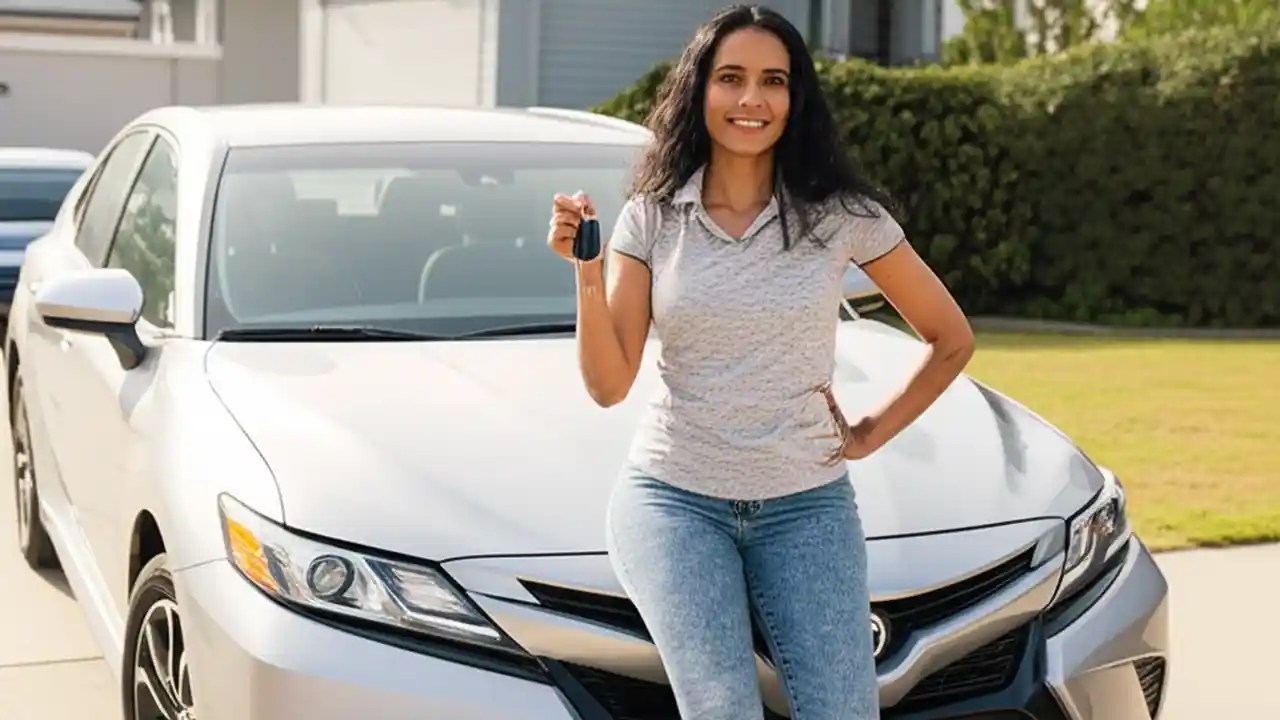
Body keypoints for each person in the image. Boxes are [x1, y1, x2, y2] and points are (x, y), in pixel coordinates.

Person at [545, 5, 975, 718]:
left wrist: (868, 434)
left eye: (773, 81)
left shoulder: (841, 215)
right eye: (731, 78)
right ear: (700, 91)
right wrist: (585, 271)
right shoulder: (654, 217)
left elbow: (949, 337)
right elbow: (608, 384)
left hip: (807, 508)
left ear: (794, 98)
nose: (752, 99)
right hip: (675, 502)